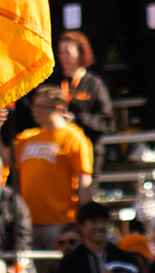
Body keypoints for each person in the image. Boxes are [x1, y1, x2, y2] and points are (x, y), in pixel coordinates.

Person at [13, 85, 94, 248]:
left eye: (40, 106)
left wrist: (84, 219)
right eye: (34, 105)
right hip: (28, 222)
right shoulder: (27, 137)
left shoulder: (73, 138)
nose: (34, 110)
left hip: (59, 222)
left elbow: (84, 179)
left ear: (57, 108)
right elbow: (5, 160)